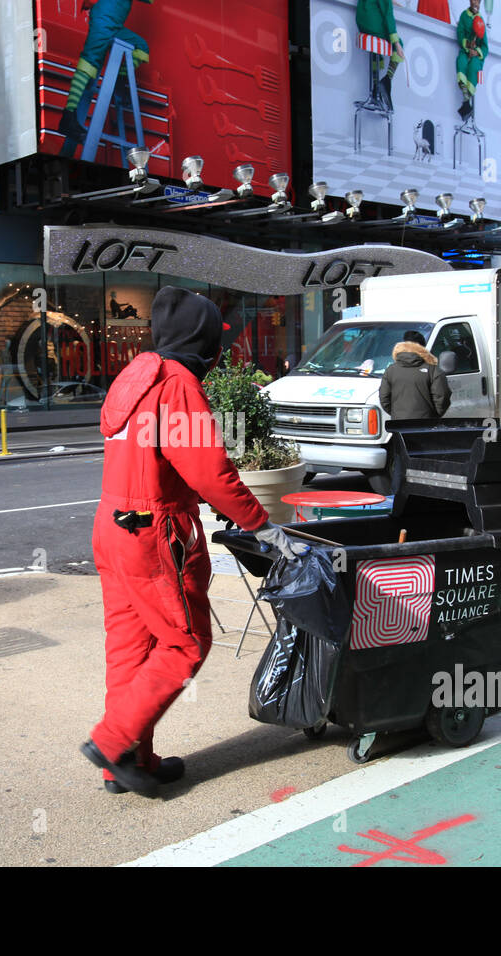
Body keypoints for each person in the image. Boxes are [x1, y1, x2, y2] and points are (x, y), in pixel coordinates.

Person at [80, 287, 309, 797]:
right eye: (213, 341)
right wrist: (260, 524)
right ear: (200, 340)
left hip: (112, 525)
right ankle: (113, 741)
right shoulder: (178, 382)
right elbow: (210, 470)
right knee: (185, 641)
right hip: (155, 531)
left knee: (130, 648)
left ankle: (126, 763)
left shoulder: (133, 376)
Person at [57, 0, 151, 144]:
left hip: (115, 25)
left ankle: (118, 81)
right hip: (104, 19)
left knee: (141, 47)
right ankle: (68, 115)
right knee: (90, 60)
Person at [379, 331, 451, 420]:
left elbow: (384, 398)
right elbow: (442, 396)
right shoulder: (432, 370)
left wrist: (397, 413)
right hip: (426, 424)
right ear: (423, 348)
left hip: (399, 423)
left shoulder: (391, 370)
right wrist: (433, 415)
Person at [355, 0, 407, 110]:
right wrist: (397, 43)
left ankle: (375, 88)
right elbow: (388, 15)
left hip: (362, 21)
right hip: (372, 23)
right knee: (398, 43)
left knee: (376, 48)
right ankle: (386, 81)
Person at [456, 0, 487, 119]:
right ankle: (466, 102)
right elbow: (460, 35)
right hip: (465, 51)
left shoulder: (481, 21)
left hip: (476, 56)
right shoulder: (464, 16)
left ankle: (466, 103)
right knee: (461, 62)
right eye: (474, 1)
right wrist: (468, 46)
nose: (476, 4)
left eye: (478, 2)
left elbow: (485, 47)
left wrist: (477, 52)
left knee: (474, 67)